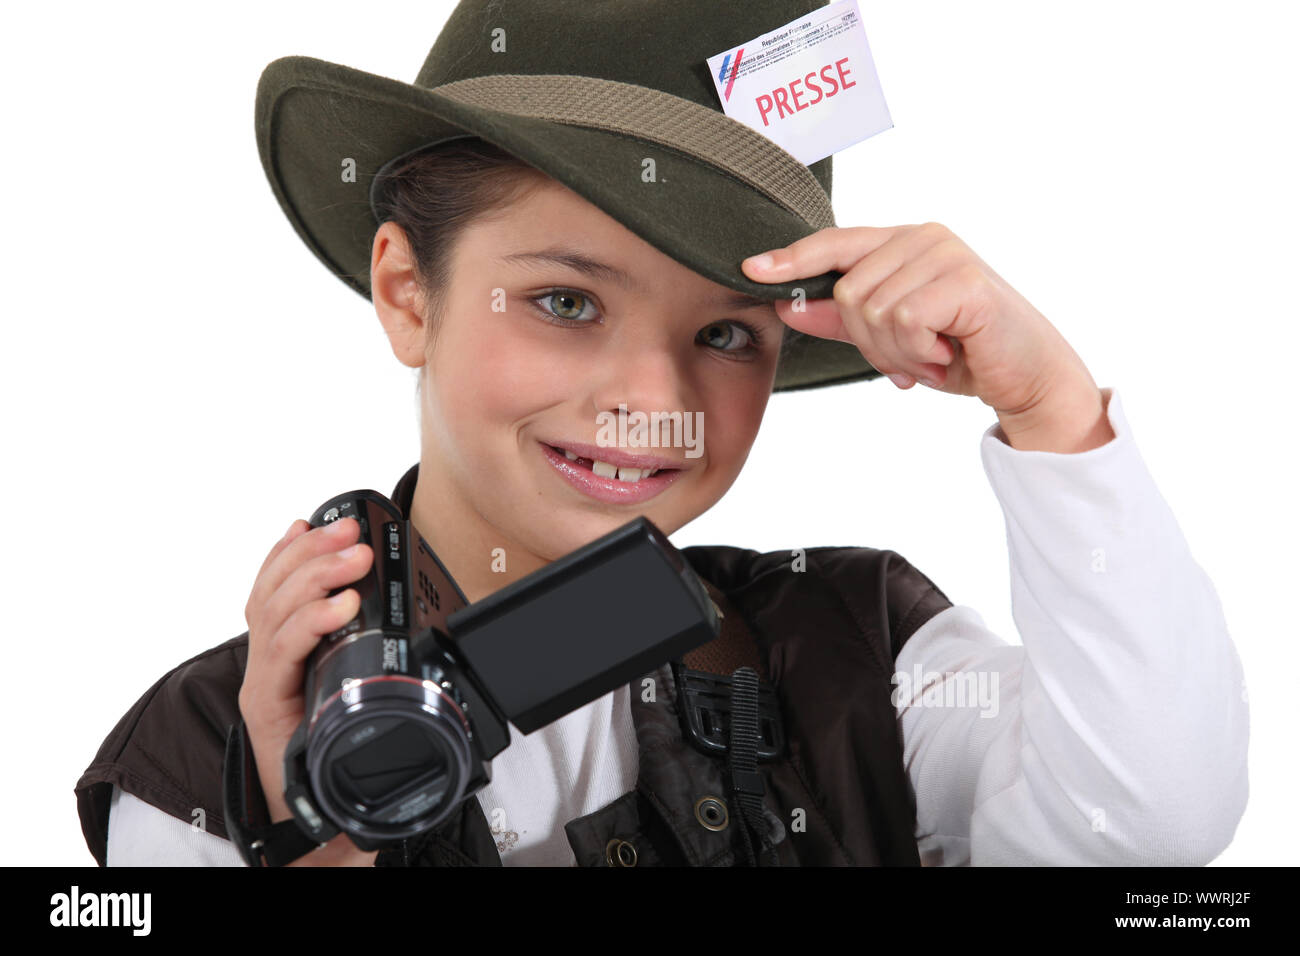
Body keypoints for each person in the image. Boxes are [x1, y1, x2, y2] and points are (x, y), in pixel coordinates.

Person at [75, 0, 1248, 867]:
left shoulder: (851, 651)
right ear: (407, 290)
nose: (650, 394)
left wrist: (1049, 410)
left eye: (728, 335)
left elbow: (1145, 819)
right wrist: (319, 832)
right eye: (566, 301)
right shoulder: (205, 746)